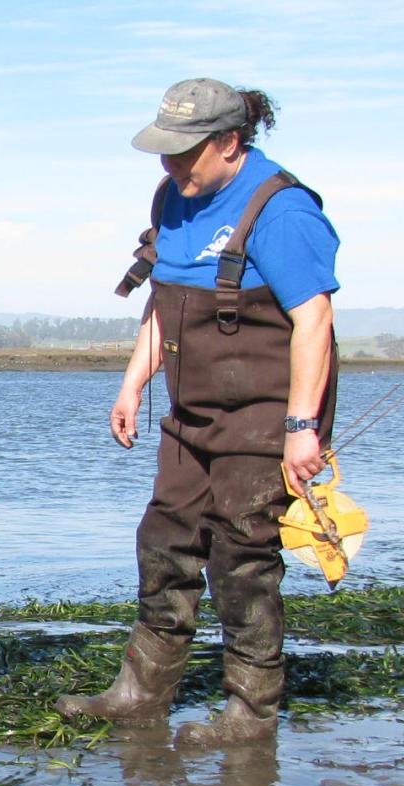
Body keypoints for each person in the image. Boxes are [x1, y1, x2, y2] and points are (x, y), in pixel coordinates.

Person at [55, 78, 340, 745]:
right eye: (165, 152)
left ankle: (250, 712)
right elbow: (164, 304)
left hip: (267, 418)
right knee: (164, 540)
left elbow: (315, 319)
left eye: (184, 153)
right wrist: (131, 386)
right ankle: (140, 693)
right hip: (193, 415)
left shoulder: (282, 210)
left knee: (242, 560)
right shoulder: (172, 198)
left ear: (230, 141)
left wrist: (302, 428)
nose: (171, 166)